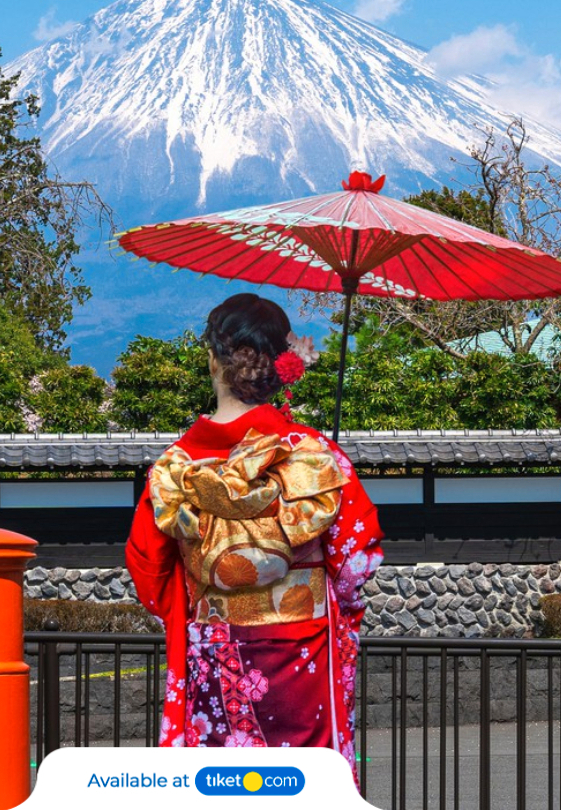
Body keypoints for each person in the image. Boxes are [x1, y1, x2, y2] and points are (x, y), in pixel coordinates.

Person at [124, 292, 384, 768]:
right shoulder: (313, 455)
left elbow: (148, 570)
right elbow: (356, 560)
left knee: (217, 783)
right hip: (301, 655)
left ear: (213, 361)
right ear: (280, 366)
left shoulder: (174, 466)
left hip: (214, 650)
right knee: (305, 785)